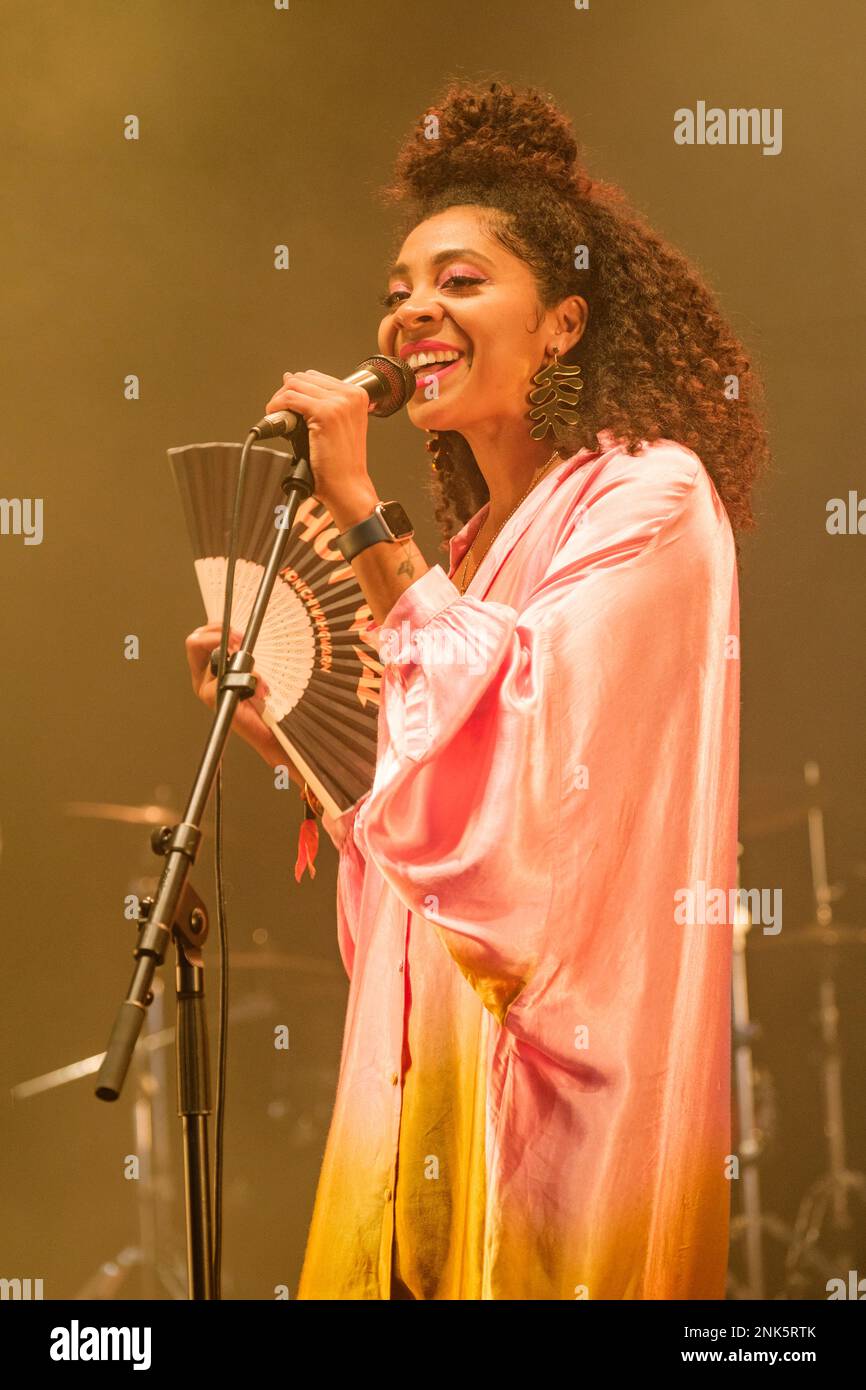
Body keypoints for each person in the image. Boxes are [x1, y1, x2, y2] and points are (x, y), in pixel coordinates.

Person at [186, 79, 767, 1300]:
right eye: (396, 288)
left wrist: (360, 511)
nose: (409, 311)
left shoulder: (648, 497)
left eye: (457, 280)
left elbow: (537, 791)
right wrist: (292, 746)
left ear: (561, 323)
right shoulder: (468, 556)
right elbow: (436, 853)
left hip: (559, 1120)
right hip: (422, 1100)